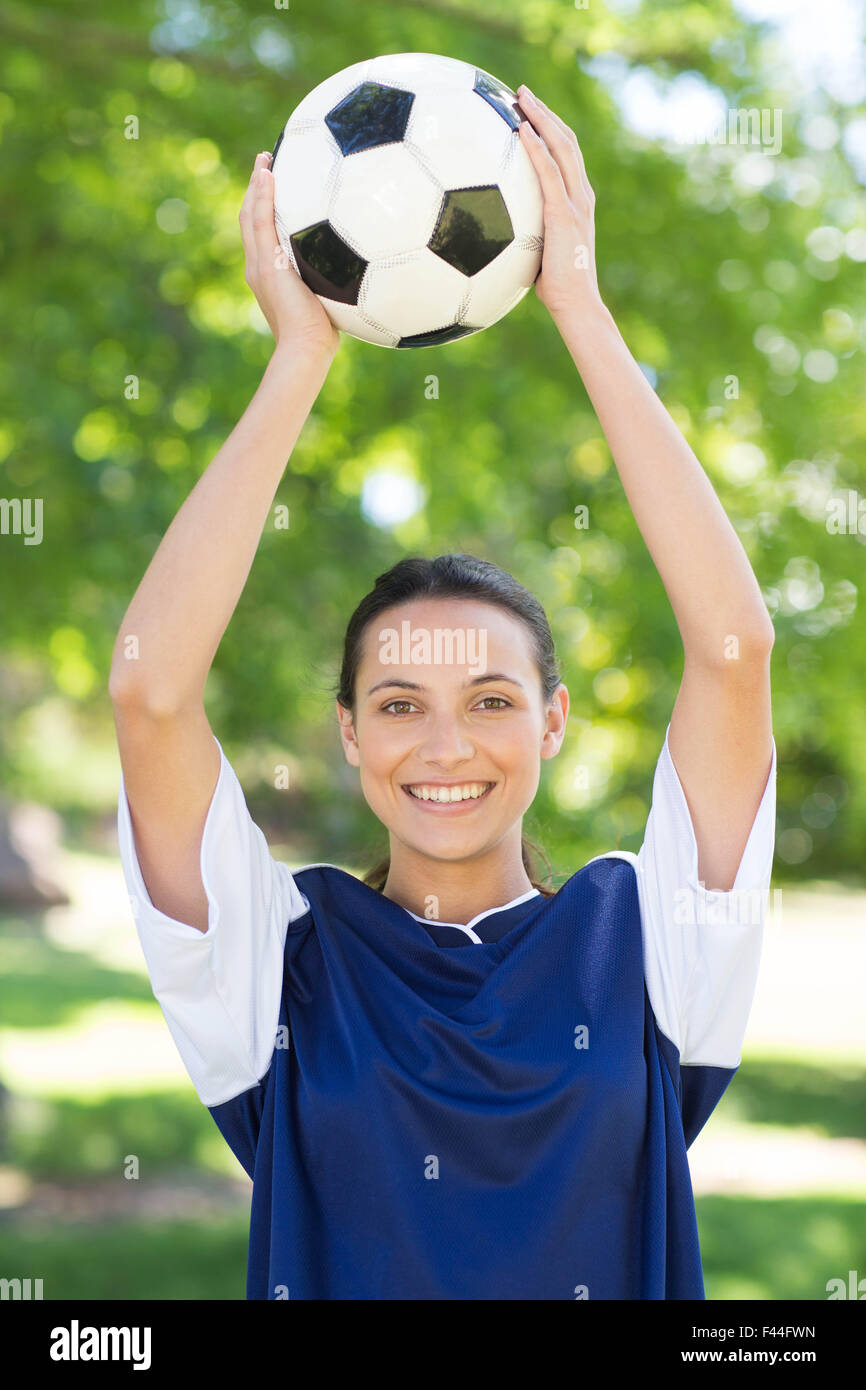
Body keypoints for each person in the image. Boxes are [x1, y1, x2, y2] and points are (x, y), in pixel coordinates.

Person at [110, 85, 776, 1300]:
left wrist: (577, 304)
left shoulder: (645, 940)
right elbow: (150, 693)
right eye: (400, 704)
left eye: (488, 697)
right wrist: (295, 359)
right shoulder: (282, 955)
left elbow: (731, 649)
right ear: (350, 734)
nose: (444, 742)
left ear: (552, 720)